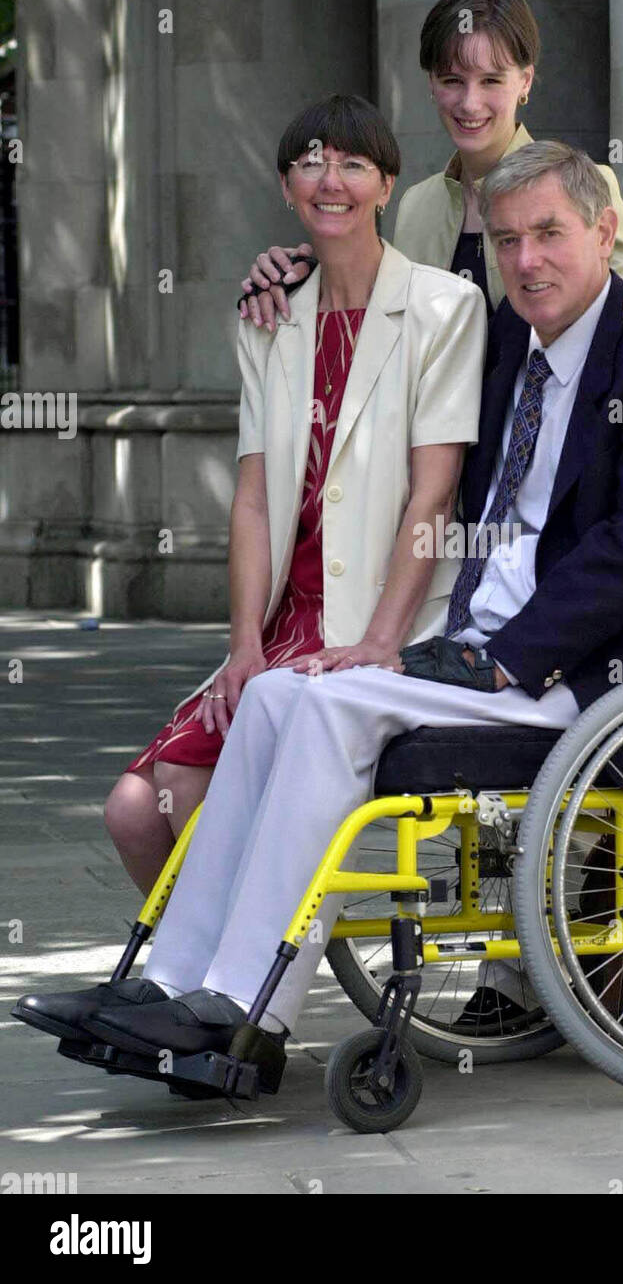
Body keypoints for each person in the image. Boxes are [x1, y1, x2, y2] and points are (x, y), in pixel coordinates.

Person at [12, 141, 623, 1070]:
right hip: (470, 641)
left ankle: (246, 1012)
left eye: (551, 235)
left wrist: (505, 654)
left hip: (588, 668)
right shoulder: (505, 337)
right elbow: (392, 317)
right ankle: (169, 981)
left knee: (327, 714)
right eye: (509, 241)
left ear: (606, 235)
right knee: (277, 695)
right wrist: (298, 264)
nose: (527, 262)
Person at [103, 93, 487, 895]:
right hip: (281, 621)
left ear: (387, 185)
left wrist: (384, 641)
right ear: (285, 186)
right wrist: (242, 642)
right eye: (310, 163)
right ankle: (203, 992)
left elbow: (434, 498)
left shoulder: (444, 307)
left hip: (389, 618)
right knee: (137, 811)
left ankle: (223, 995)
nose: (330, 180)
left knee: (192, 799)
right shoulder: (267, 318)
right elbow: (252, 501)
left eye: (353, 163)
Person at [238, 0, 623, 341]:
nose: (469, 103)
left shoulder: (589, 183)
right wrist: (295, 277)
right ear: (432, 85)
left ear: (525, 82)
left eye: (491, 80)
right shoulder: (417, 205)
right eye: (452, 80)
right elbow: (382, 318)